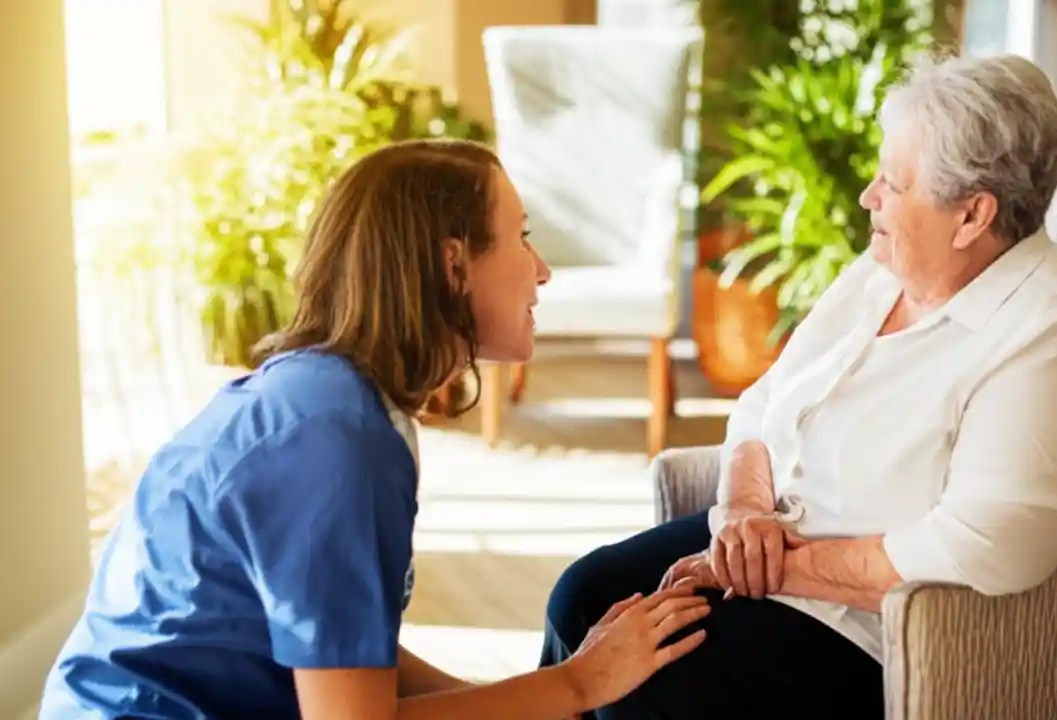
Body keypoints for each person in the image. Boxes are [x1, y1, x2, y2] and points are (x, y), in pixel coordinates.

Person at [540, 53, 1057, 718]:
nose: (868, 197)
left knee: (651, 683)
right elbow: (765, 402)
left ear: (972, 215)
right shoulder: (886, 271)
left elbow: (989, 543)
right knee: (581, 598)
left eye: (893, 184)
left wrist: (782, 567)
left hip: (875, 632)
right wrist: (743, 512)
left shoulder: (1047, 339)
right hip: (776, 555)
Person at [40, 139, 711, 720]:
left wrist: (540, 697)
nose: (542, 270)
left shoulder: (333, 398)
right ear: (454, 266)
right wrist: (575, 683)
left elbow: (348, 649)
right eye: (521, 236)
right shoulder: (336, 441)